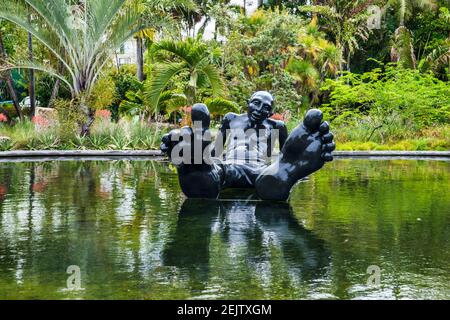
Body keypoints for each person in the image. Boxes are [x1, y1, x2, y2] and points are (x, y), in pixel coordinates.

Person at [161, 91, 335, 201]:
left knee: (278, 169)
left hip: (260, 170)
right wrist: (203, 158)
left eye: (266, 107)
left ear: (271, 113)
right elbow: (218, 150)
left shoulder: (276, 126)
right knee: (215, 171)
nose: (260, 109)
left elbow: (285, 152)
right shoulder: (231, 118)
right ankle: (199, 173)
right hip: (229, 167)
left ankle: (286, 172)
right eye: (256, 103)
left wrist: (289, 165)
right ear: (248, 102)